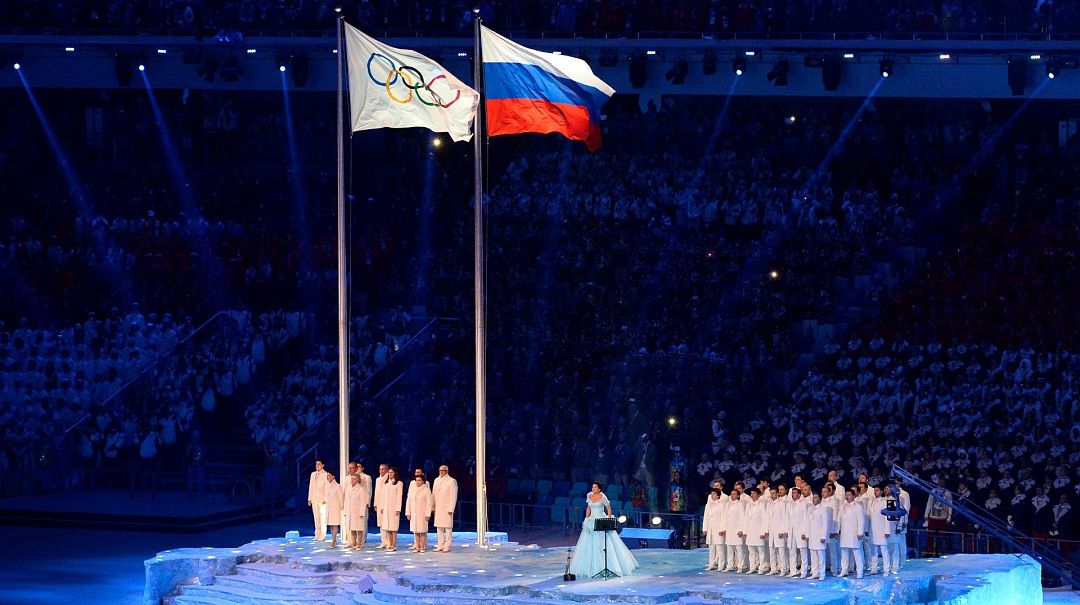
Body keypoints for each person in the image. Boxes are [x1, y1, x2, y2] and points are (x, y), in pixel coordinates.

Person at [569, 482, 640, 578]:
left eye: (595, 487)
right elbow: (588, 508)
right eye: (592, 487)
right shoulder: (589, 495)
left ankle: (607, 565)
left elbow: (609, 509)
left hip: (601, 520)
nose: (593, 489)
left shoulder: (603, 497)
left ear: (599, 489)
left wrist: (608, 519)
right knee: (588, 543)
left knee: (603, 543)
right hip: (591, 521)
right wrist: (586, 518)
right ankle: (590, 567)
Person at [838, 488, 865, 578]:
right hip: (844, 533)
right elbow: (839, 520)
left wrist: (860, 532)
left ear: (854, 496)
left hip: (854, 533)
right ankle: (844, 570)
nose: (847, 496)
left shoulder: (858, 507)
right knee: (844, 553)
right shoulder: (842, 507)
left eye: (849, 495)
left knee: (857, 553)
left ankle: (859, 572)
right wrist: (837, 530)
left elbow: (861, 520)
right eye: (846, 495)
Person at [405, 469, 434, 553]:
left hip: (422, 513)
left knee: (422, 530)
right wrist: (408, 512)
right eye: (416, 480)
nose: (417, 482)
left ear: (423, 481)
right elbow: (408, 501)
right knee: (416, 531)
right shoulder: (412, 490)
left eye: (419, 480)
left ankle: (423, 546)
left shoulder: (426, 489)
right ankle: (417, 546)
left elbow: (429, 503)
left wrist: (428, 514)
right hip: (414, 513)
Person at [432, 464, 459, 552]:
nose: (441, 472)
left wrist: (451, 508)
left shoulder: (451, 481)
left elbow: (453, 496)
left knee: (447, 527)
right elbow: (434, 494)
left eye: (443, 470)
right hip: (438, 507)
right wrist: (433, 506)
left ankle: (447, 545)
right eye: (440, 470)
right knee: (439, 527)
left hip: (447, 507)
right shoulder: (436, 480)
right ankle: (440, 544)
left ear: (446, 471)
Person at [788, 486, 811, 578]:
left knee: (803, 551)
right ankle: (793, 571)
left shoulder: (803, 504)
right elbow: (787, 518)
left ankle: (804, 571)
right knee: (792, 551)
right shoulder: (789, 504)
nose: (793, 494)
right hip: (791, 530)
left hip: (800, 531)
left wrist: (805, 532)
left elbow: (806, 519)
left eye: (794, 493)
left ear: (799, 494)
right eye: (792, 493)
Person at [868, 485, 892, 574]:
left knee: (884, 550)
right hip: (873, 530)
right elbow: (869, 517)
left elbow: (888, 517)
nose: (875, 492)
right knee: (873, 550)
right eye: (874, 490)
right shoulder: (871, 502)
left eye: (877, 490)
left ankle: (886, 569)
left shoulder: (886, 501)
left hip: (882, 529)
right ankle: (873, 569)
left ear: (881, 491)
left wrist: (887, 530)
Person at [344, 472, 371, 550]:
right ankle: (354, 543)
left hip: (358, 512)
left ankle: (359, 544)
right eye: (352, 479)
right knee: (352, 528)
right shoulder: (348, 488)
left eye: (355, 479)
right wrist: (345, 511)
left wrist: (362, 512)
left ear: (358, 480)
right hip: (350, 511)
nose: (353, 480)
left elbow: (363, 502)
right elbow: (346, 501)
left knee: (359, 528)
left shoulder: (361, 489)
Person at [744, 488, 768, 574]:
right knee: (751, 550)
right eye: (751, 493)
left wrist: (763, 531)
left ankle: (761, 567)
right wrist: (745, 531)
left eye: (754, 493)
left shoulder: (762, 505)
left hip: (758, 531)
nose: (752, 495)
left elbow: (765, 519)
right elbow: (746, 519)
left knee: (761, 551)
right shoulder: (748, 505)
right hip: (750, 531)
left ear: (758, 495)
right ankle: (752, 567)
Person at [702, 487, 726, 571]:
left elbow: (723, 517)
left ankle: (721, 565)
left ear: (718, 495)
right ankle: (711, 564)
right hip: (710, 529)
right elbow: (706, 517)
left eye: (714, 494)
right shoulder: (708, 505)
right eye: (711, 494)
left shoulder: (722, 505)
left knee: (720, 548)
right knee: (711, 548)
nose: (712, 495)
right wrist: (705, 529)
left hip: (718, 529)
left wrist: (722, 529)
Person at [768, 486, 790, 575]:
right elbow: (767, 518)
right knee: (772, 550)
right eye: (771, 493)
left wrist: (783, 530)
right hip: (771, 530)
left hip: (779, 530)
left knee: (781, 551)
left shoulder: (782, 503)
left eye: (773, 493)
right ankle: (773, 569)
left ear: (777, 493)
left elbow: (784, 517)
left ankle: (784, 569)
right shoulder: (769, 504)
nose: (772, 495)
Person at [380, 467, 404, 551]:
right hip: (387, 508)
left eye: (392, 472)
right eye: (389, 472)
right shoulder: (386, 483)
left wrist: (398, 508)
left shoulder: (399, 483)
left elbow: (399, 497)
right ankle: (389, 544)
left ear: (395, 473)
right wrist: (382, 507)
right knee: (388, 528)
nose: (390, 474)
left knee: (393, 527)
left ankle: (394, 545)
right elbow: (383, 497)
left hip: (394, 508)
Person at [722, 490, 746, 572]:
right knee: (729, 548)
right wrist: (724, 529)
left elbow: (742, 518)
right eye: (731, 494)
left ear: (738, 496)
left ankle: (740, 566)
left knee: (738, 549)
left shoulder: (740, 505)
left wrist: (741, 530)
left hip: (736, 529)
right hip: (729, 529)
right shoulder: (728, 505)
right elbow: (725, 518)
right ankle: (730, 565)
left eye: (734, 494)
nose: (732, 496)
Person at [808, 492, 831, 580]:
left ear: (820, 499)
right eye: (813, 498)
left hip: (819, 536)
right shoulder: (811, 509)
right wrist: (808, 535)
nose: (814, 499)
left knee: (821, 556)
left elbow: (825, 524)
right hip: (812, 536)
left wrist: (823, 536)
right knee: (813, 556)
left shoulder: (823, 509)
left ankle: (822, 574)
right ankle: (815, 573)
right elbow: (808, 523)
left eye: (816, 498)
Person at [307, 459, 327, 541]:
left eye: (319, 464)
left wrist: (325, 499)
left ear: (323, 465)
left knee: (322, 517)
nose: (317, 466)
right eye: (316, 464)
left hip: (322, 500)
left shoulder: (326, 474)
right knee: (316, 518)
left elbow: (326, 487)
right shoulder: (313, 474)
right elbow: (311, 487)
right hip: (314, 499)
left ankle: (322, 535)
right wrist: (309, 499)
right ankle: (317, 534)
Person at [324, 470, 344, 548]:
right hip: (329, 507)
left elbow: (341, 498)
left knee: (335, 524)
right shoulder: (327, 486)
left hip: (336, 508)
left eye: (329, 475)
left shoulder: (338, 486)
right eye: (327, 475)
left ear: (333, 476)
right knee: (331, 525)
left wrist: (342, 507)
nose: (327, 477)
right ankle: (334, 539)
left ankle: (333, 541)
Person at [374, 463, 390, 549]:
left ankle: (389, 542)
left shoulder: (389, 479)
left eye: (383, 469)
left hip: (386, 505)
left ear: (387, 470)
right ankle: (383, 541)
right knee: (381, 524)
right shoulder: (378, 479)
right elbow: (377, 492)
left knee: (387, 523)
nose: (381, 471)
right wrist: (375, 504)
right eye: (380, 469)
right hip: (379, 504)